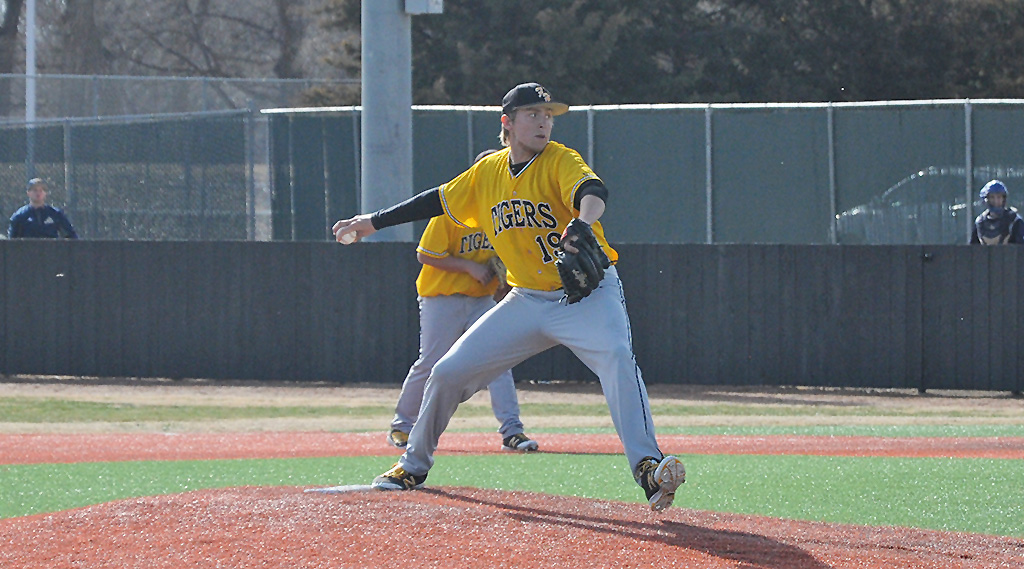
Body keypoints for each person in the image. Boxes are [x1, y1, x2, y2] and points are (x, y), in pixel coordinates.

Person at [332, 82, 685, 512]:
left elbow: (593, 192)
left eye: (548, 115)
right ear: (508, 123)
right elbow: (436, 200)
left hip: (587, 298)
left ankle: (648, 466)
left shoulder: (559, 159)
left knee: (616, 357)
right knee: (447, 372)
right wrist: (373, 221)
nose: (543, 122)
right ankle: (412, 464)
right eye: (533, 114)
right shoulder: (488, 173)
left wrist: (583, 222)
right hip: (527, 299)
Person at [388, 148, 538, 453]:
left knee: (498, 361)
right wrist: (468, 266)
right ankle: (403, 426)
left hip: (481, 299)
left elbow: (509, 257)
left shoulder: (503, 213)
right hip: (441, 297)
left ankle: (512, 431)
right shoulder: (452, 208)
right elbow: (425, 254)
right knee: (431, 362)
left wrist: (505, 281)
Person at [8, 178, 79, 239]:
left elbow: (71, 236)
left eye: (41, 190)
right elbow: (12, 241)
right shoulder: (20, 216)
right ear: (28, 193)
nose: (38, 193)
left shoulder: (55, 214)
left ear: (45, 193)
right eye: (35, 190)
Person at [970, 179, 1024, 245]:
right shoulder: (980, 222)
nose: (996, 201)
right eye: (992, 197)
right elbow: (973, 247)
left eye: (999, 197)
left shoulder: (1014, 220)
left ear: (1003, 199)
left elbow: (1020, 247)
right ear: (986, 199)